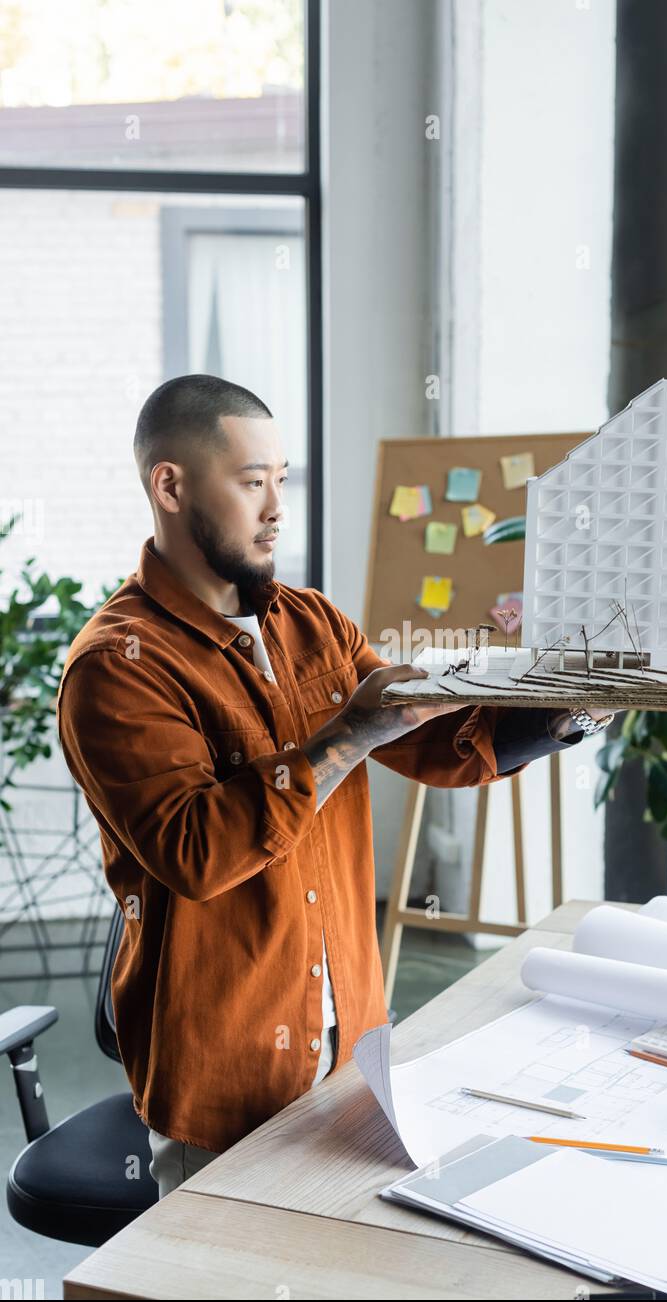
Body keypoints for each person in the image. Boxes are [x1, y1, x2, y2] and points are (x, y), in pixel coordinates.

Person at [56, 374, 616, 1199]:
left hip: (352, 1044)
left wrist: (569, 713)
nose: (277, 507)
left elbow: (436, 747)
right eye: (253, 483)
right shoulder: (116, 667)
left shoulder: (313, 622)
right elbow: (196, 851)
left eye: (282, 479)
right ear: (169, 486)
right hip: (227, 1072)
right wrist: (345, 736)